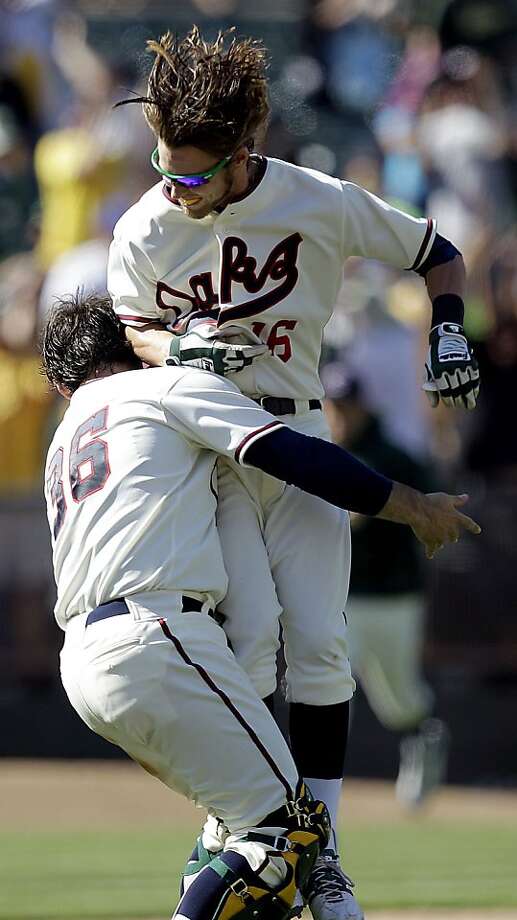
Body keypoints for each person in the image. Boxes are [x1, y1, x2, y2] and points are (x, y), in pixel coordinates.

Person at [107, 26, 480, 920]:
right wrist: (176, 349)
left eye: (195, 177)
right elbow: (130, 326)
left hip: (300, 428)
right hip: (209, 450)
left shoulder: (314, 198)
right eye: (166, 171)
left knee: (319, 648)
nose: (177, 190)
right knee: (247, 644)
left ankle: (323, 856)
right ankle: (236, 829)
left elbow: (436, 255)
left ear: (244, 153)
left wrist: (448, 330)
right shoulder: (146, 224)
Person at [42, 294, 479, 920]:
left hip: (85, 664)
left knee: (243, 833)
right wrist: (410, 505)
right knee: (291, 833)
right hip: (155, 638)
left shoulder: (65, 437)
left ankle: (213, 862)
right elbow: (291, 453)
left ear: (64, 385)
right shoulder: (158, 388)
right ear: (130, 348)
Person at [323, 365, 450, 809]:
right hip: (342, 598)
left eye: (347, 406)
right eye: (333, 406)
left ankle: (425, 735)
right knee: (329, 682)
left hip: (395, 596)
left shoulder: (395, 457)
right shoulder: (313, 452)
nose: (340, 415)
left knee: (399, 700)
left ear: (363, 407)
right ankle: (315, 782)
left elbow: (429, 510)